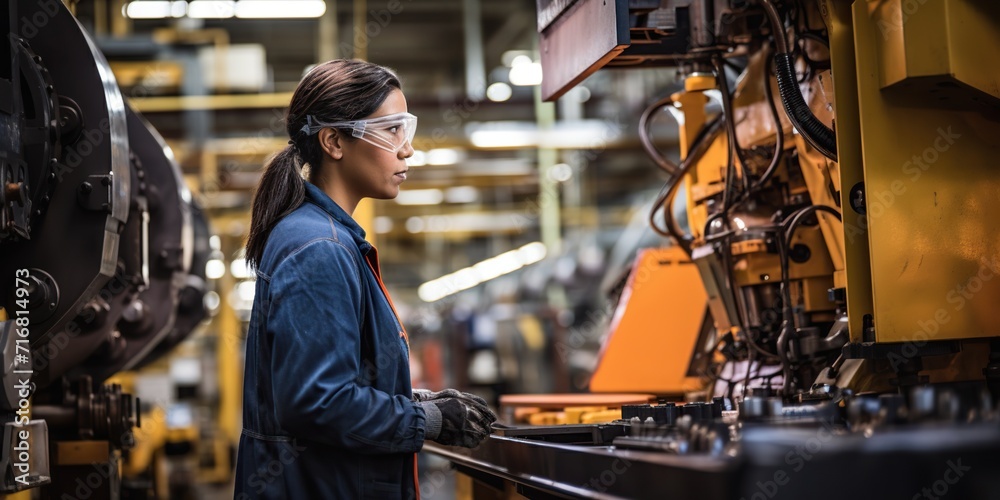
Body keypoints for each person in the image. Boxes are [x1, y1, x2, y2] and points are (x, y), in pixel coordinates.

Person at [235, 59, 497, 499]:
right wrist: (428, 423)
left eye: (405, 129)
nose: (407, 149)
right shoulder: (320, 248)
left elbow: (334, 385)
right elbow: (318, 403)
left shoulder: (326, 238)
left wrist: (415, 401)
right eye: (392, 130)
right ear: (334, 141)